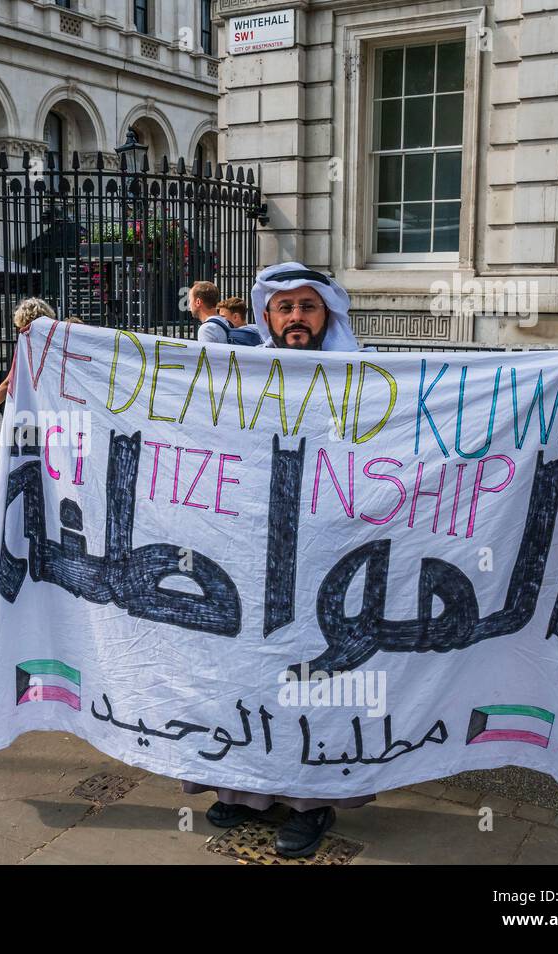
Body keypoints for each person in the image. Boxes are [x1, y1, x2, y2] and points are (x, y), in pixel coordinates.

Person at [182, 262, 366, 858]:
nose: (295, 318)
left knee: (314, 677)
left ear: (327, 315)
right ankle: (244, 791)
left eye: (307, 307)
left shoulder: (359, 380)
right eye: (284, 308)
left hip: (322, 555)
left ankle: (312, 802)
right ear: (266, 316)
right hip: (250, 554)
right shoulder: (240, 374)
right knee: (247, 671)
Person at [0, 298, 59, 427]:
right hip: (56, 406)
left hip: (31, 410)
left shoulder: (27, 342)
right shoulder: (56, 339)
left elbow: (10, 381)